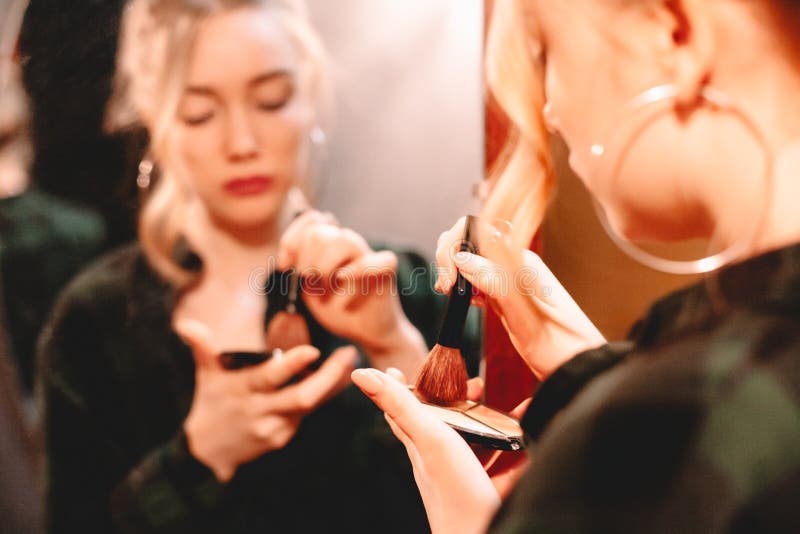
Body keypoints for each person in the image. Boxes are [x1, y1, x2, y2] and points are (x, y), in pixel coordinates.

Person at [352, 0, 800, 532]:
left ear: (673, 34)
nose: (550, 113)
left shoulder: (684, 434)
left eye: (548, 52)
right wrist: (587, 371)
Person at [38, 0, 478, 531]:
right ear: (158, 121)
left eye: (271, 101)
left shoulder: (403, 288)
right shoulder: (96, 321)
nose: (242, 143)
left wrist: (395, 345)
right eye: (200, 113)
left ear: (309, 100)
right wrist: (198, 458)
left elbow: (502, 499)